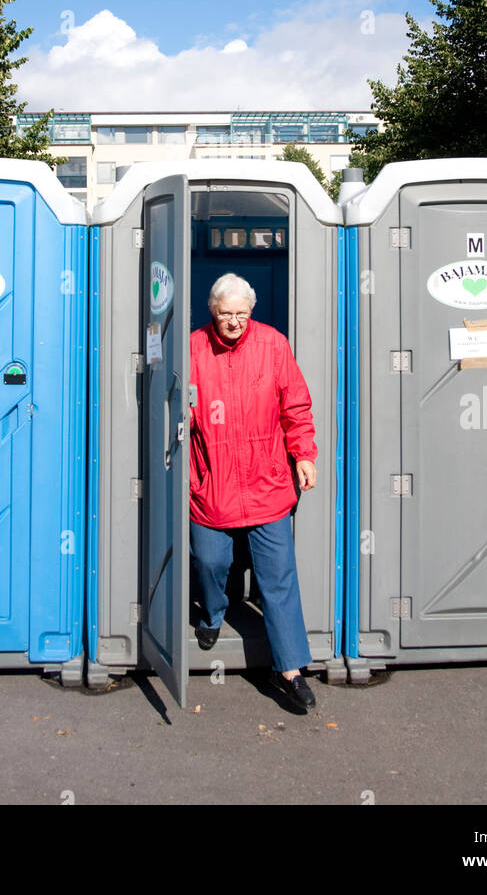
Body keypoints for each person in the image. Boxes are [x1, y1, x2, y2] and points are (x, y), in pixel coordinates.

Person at [189, 272, 318, 713]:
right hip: (214, 482)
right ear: (212, 311)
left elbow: (295, 404)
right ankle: (212, 614)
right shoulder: (193, 348)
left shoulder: (273, 344)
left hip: (267, 481)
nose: (235, 323)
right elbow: (175, 407)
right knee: (210, 560)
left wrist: (303, 454)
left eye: (242, 314)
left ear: (252, 311)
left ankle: (292, 671)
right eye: (226, 314)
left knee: (278, 578)